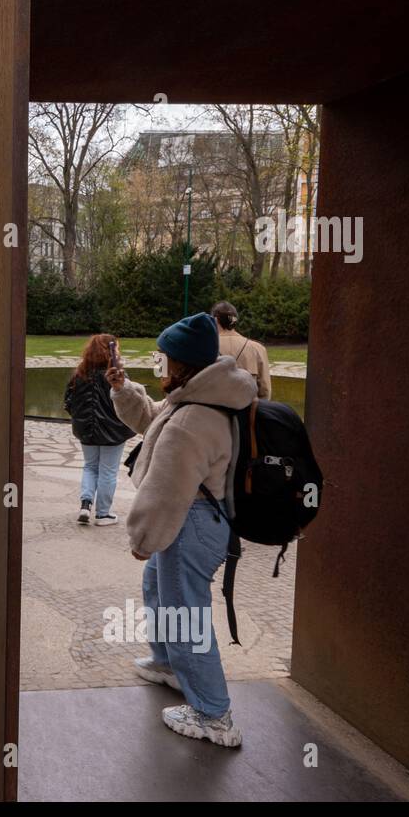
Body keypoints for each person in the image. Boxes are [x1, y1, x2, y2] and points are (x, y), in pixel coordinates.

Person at [106, 313, 257, 747]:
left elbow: (167, 489)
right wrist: (123, 388)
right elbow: (153, 422)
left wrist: (143, 540)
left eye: (165, 357)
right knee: (160, 590)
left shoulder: (194, 417)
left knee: (185, 617)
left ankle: (214, 715)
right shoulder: (198, 399)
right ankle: (170, 664)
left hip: (190, 524)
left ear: (181, 364)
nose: (160, 364)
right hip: (202, 521)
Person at [63, 334, 135, 525]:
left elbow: (68, 402)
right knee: (108, 471)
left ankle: (85, 505)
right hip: (113, 431)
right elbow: (129, 401)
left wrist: (80, 419)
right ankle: (103, 514)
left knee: (90, 467)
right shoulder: (116, 375)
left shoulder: (79, 374)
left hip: (87, 430)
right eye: (116, 348)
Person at [210, 300, 272, 399]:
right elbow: (265, 391)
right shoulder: (258, 348)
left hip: (212, 411)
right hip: (248, 411)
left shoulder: (205, 346)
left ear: (215, 320)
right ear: (235, 321)